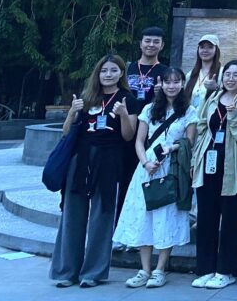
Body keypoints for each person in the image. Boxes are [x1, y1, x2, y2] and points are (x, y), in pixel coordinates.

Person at [50, 55, 138, 288]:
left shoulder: (128, 99)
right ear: (97, 74)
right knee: (72, 213)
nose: (108, 75)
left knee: (102, 214)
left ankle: (93, 272)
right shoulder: (87, 97)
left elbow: (128, 136)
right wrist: (72, 112)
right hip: (81, 160)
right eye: (104, 71)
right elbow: (66, 133)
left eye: (113, 70)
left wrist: (122, 114)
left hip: (109, 160)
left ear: (121, 73)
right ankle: (66, 271)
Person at [116, 67, 197, 289]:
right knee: (144, 215)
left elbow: (190, 142)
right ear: (161, 84)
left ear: (182, 84)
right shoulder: (149, 109)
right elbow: (139, 141)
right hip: (148, 167)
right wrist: (145, 163)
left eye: (176, 81)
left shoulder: (189, 111)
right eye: (168, 82)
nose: (172, 86)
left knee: (167, 216)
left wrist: (172, 148)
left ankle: (160, 269)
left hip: (172, 167)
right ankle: (144, 269)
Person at [191, 60, 237, 289]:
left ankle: (226, 270)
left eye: (236, 75)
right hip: (208, 161)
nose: (231, 79)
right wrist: (196, 159)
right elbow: (202, 126)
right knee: (206, 217)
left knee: (230, 219)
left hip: (231, 164)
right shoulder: (213, 98)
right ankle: (205, 269)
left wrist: (233, 116)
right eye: (227, 74)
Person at [120, 26, 170, 225]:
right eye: (147, 40)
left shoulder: (165, 72)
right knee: (123, 180)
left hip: (150, 132)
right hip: (125, 127)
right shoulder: (127, 69)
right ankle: (121, 224)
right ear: (140, 43)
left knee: (145, 180)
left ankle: (141, 225)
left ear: (162, 45)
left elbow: (172, 102)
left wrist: (161, 94)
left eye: (156, 41)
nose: (151, 45)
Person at [186, 34, 221, 110]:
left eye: (210, 47)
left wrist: (216, 88)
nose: (205, 50)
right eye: (202, 47)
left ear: (216, 50)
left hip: (209, 116)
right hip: (190, 116)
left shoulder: (222, 73)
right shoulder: (190, 74)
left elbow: (229, 96)